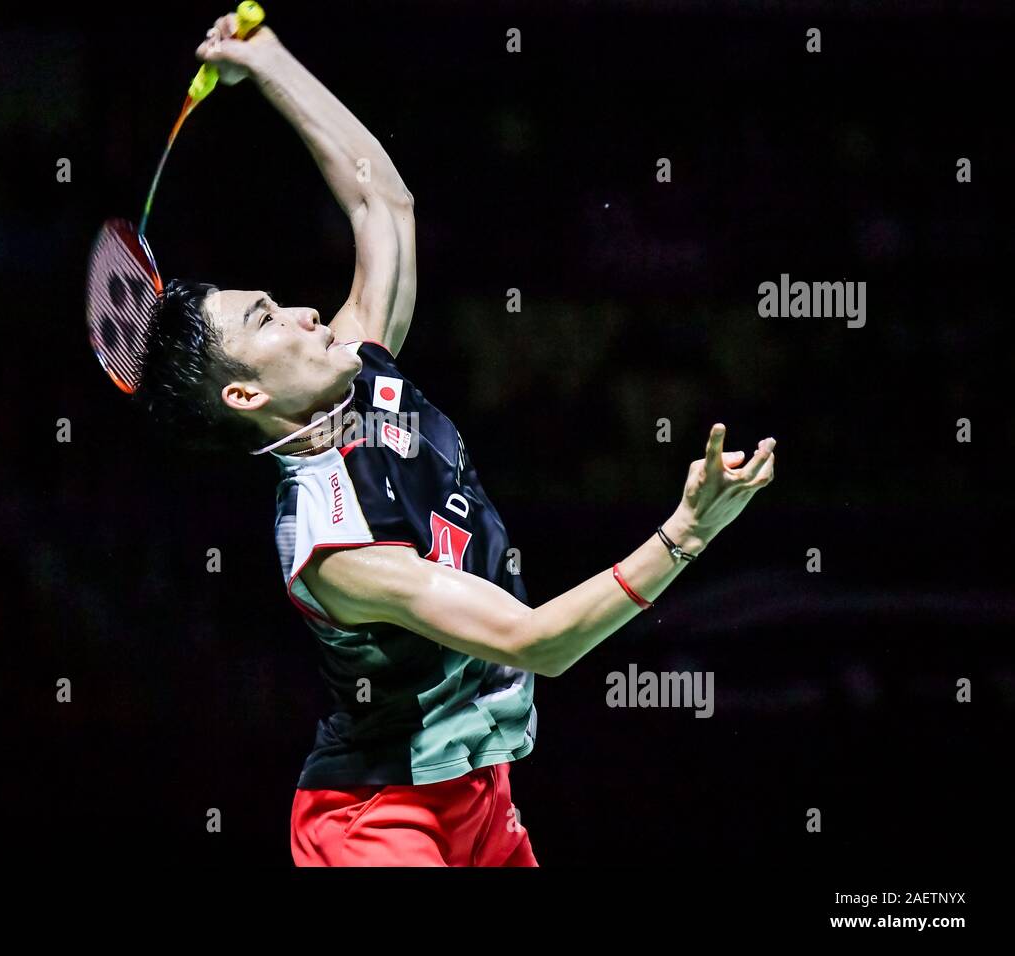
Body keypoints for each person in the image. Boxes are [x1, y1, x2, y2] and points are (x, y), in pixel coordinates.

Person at [130, 13, 776, 866]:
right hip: (377, 816)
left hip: (479, 789)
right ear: (246, 393)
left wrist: (270, 62)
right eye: (267, 319)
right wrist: (684, 534)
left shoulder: (361, 374)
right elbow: (537, 640)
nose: (303, 311)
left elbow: (380, 201)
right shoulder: (335, 544)